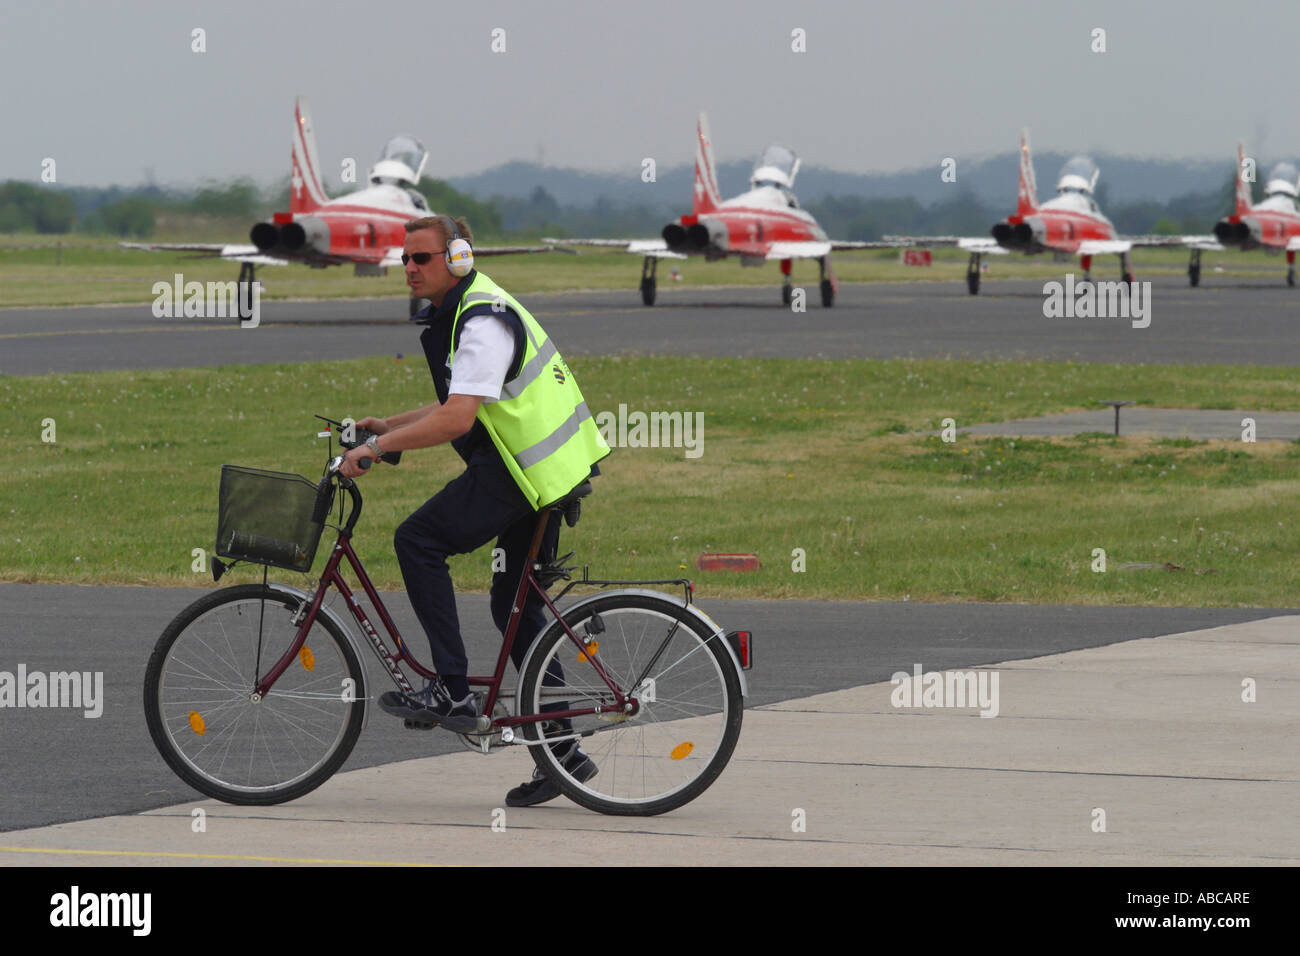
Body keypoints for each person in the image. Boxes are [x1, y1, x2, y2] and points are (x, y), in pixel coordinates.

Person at [341, 215, 610, 806]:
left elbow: (459, 419)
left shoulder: (483, 318)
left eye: (422, 258)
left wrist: (375, 450)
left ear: (458, 259)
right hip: (531, 470)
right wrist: (390, 425)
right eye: (405, 259)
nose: (409, 268)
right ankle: (564, 756)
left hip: (521, 474)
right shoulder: (467, 309)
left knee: (417, 540)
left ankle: (452, 691)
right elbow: (462, 400)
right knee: (511, 603)